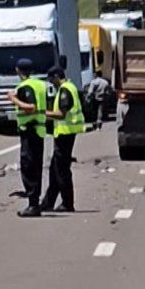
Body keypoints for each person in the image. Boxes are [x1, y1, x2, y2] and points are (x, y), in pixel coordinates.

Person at [7, 59, 48, 217]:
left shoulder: (26, 86)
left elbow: (31, 107)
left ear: (18, 70)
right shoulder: (39, 84)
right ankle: (34, 201)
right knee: (35, 166)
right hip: (39, 130)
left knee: (29, 167)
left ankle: (33, 204)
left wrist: (13, 99)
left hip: (30, 130)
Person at [43, 66, 85, 212]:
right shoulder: (67, 88)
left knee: (62, 170)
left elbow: (61, 114)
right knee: (55, 169)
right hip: (63, 133)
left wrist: (43, 113)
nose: (51, 83)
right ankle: (48, 202)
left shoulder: (65, 90)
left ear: (56, 76)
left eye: (51, 79)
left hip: (66, 134)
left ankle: (68, 203)